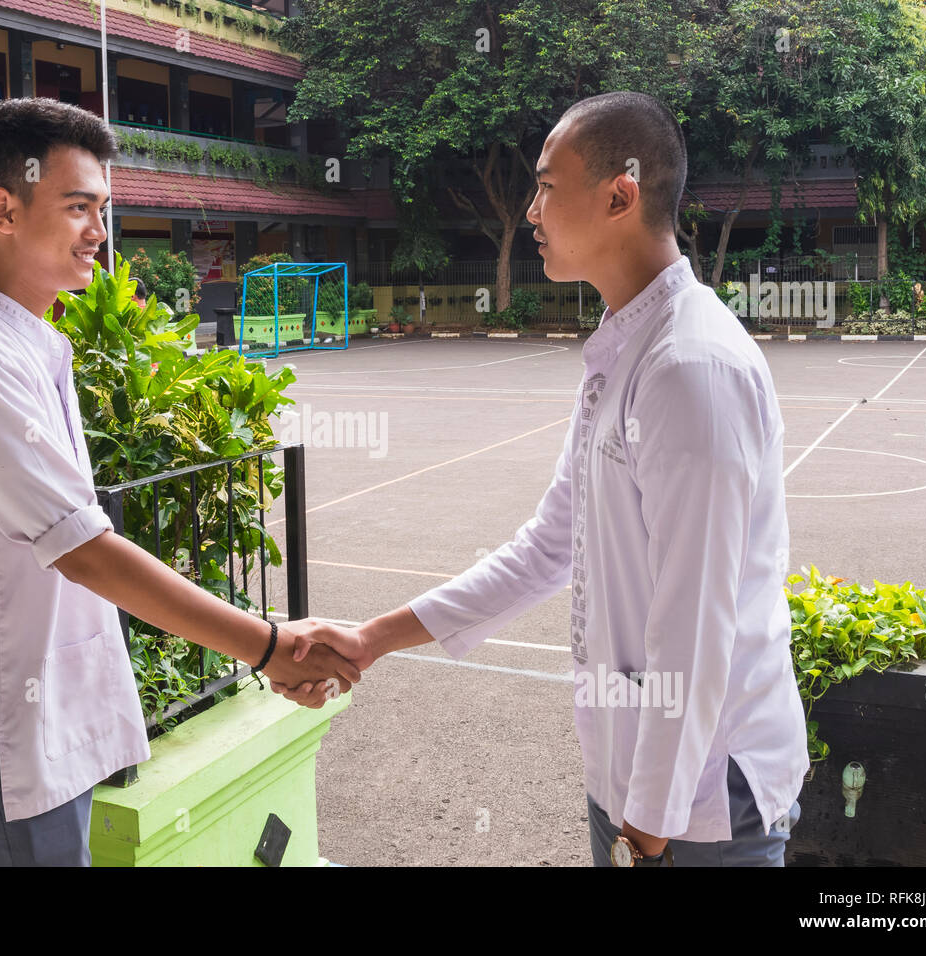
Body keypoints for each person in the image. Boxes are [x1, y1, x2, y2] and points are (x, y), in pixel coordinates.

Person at [270, 91, 810, 867]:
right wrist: (372, 638)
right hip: (630, 777)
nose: (531, 209)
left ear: (619, 195)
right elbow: (549, 547)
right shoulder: (626, 348)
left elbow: (695, 620)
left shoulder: (688, 368)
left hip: (701, 801)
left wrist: (650, 825)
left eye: (549, 185)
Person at [0, 97, 359, 867]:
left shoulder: (28, 342)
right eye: (78, 208)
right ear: (3, 210)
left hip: (43, 725)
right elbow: (85, 549)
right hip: (2, 741)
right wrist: (266, 645)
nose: (99, 232)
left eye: (102, 208)